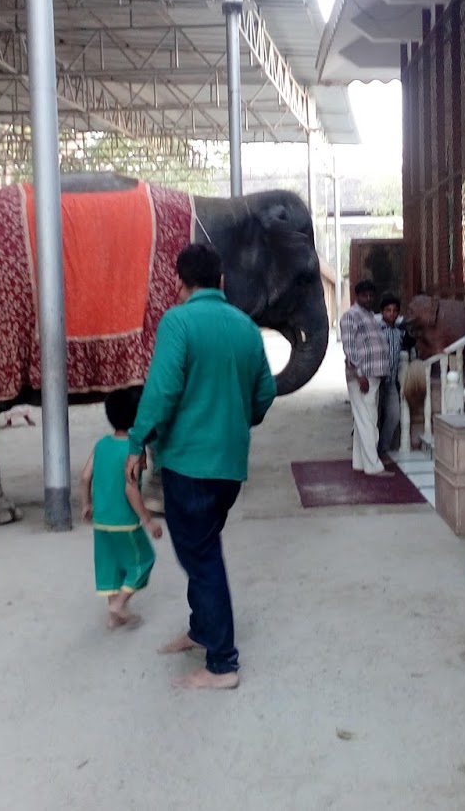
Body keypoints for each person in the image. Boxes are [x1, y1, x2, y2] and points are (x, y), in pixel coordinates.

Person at [126, 243, 275, 690]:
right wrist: (234, 421)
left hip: (190, 465)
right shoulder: (247, 327)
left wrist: (137, 441)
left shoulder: (179, 321)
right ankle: (201, 629)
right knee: (202, 546)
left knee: (202, 557)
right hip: (228, 467)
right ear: (222, 281)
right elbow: (265, 392)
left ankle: (223, 664)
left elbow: (163, 389)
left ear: (180, 284)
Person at [81, 387, 163, 630]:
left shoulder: (101, 444)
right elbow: (131, 490)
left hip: (100, 520)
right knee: (144, 560)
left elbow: (85, 478)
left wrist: (86, 504)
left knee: (111, 565)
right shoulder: (133, 451)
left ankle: (114, 616)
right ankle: (119, 604)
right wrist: (147, 520)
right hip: (124, 521)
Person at [340, 280, 392, 477]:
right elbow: (349, 347)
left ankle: (360, 463)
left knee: (364, 419)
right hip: (363, 376)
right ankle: (374, 466)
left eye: (371, 295)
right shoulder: (350, 317)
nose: (368, 299)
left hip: (373, 375)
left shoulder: (370, 316)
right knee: (368, 420)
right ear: (357, 296)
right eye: (365, 295)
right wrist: (360, 375)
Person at [376, 294, 407, 458]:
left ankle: (383, 448)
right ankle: (369, 451)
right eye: (388, 310)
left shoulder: (398, 331)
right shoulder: (376, 330)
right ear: (382, 312)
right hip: (376, 379)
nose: (392, 314)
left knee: (394, 415)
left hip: (391, 381)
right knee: (374, 416)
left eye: (395, 310)